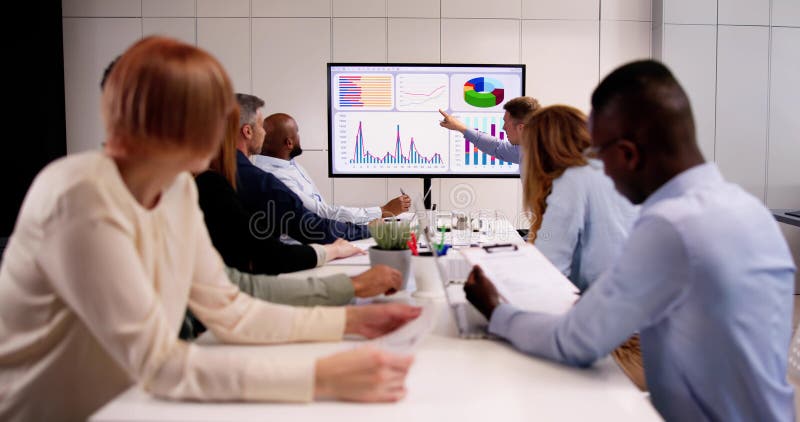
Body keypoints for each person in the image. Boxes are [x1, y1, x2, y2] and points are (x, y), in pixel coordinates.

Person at [0, 37, 420, 422]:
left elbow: (228, 306)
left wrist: (351, 322)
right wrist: (320, 377)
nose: (228, 128)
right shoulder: (80, 194)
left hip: (133, 405)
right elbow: (160, 364)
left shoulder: (180, 186)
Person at [464, 60, 796, 421]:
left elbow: (575, 341)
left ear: (627, 155)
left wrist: (497, 311)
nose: (600, 171)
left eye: (599, 155)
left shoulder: (671, 228)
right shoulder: (750, 211)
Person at [520, 105, 637, 291]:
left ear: (541, 152)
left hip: (600, 305)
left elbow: (547, 272)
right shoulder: (611, 170)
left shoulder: (574, 178)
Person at [233, 94, 370, 244]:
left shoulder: (286, 168)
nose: (264, 133)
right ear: (247, 131)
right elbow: (311, 225)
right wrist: (369, 228)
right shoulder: (261, 181)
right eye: (260, 126)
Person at [254, 113, 411, 223]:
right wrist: (382, 210)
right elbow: (322, 212)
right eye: (297, 133)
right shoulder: (275, 177)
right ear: (289, 143)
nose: (300, 138)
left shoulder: (289, 164)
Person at [438, 96, 540, 164]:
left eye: (506, 123)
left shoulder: (543, 160)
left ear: (521, 128)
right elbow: (497, 147)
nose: (503, 128)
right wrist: (460, 127)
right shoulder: (526, 150)